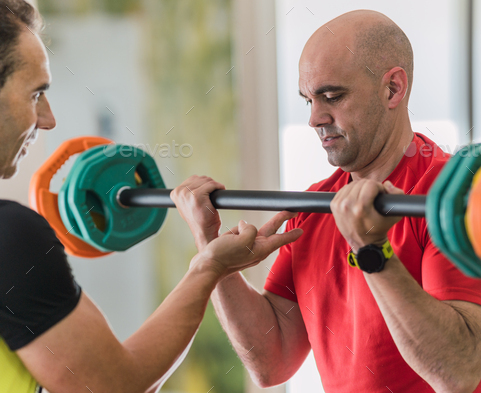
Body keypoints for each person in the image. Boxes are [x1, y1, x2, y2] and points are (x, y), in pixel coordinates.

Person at [173, 10, 481, 393]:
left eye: (332, 96)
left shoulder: (458, 197)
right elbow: (272, 362)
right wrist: (214, 257)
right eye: (308, 99)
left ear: (393, 89)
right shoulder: (314, 208)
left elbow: (458, 371)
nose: (314, 118)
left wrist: (372, 250)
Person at [0, 1, 301, 392]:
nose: (49, 119)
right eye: (36, 94)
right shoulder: (10, 236)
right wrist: (207, 268)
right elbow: (119, 386)